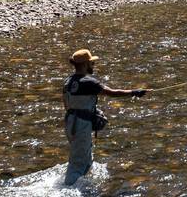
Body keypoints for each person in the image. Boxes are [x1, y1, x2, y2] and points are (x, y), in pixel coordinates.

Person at [63, 48, 146, 185]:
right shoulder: (88, 82)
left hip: (70, 123)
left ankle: (78, 184)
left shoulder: (68, 81)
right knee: (78, 163)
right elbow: (112, 93)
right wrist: (134, 92)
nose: (93, 66)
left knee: (85, 158)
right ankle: (68, 190)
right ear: (85, 64)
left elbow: (66, 104)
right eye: (92, 63)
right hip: (81, 125)